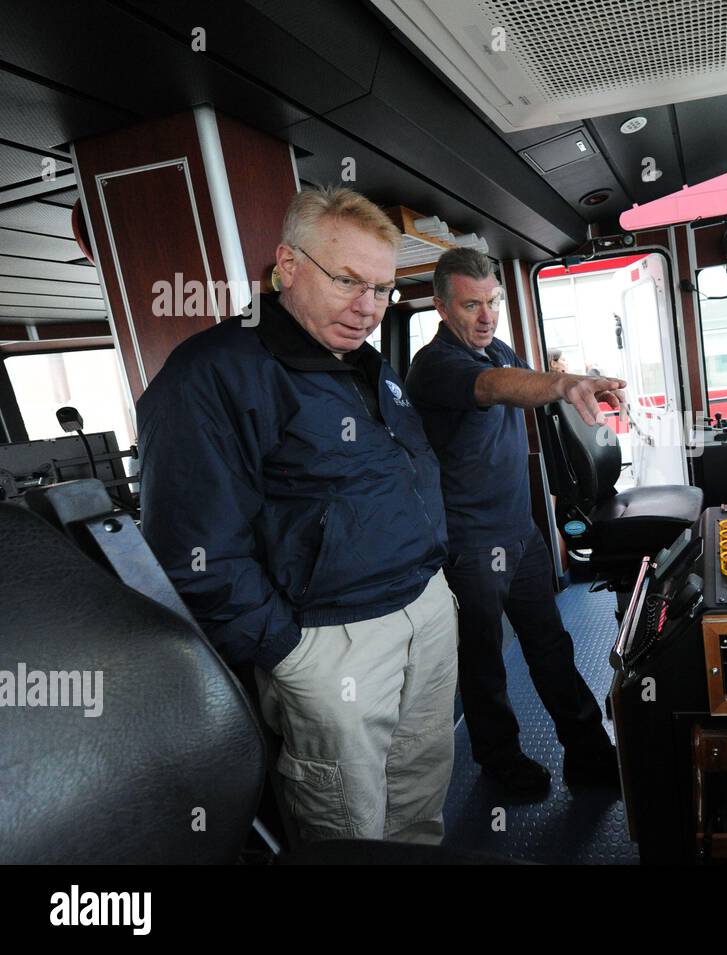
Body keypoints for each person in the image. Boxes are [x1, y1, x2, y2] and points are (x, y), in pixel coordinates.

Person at [137, 186, 458, 843]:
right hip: (333, 642)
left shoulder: (367, 363)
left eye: (381, 288)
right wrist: (291, 650)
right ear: (286, 264)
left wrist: (437, 589)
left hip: (426, 609)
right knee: (348, 829)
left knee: (421, 797)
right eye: (347, 280)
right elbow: (192, 554)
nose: (367, 307)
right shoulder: (210, 374)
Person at [406, 247, 623, 797]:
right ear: (440, 307)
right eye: (471, 305)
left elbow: (511, 374)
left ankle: (590, 755)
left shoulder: (494, 346)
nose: (486, 317)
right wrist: (557, 385)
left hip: (519, 534)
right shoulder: (437, 366)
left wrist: (560, 378)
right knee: (483, 665)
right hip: (470, 546)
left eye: (493, 302)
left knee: (551, 644)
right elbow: (494, 387)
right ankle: (500, 765)